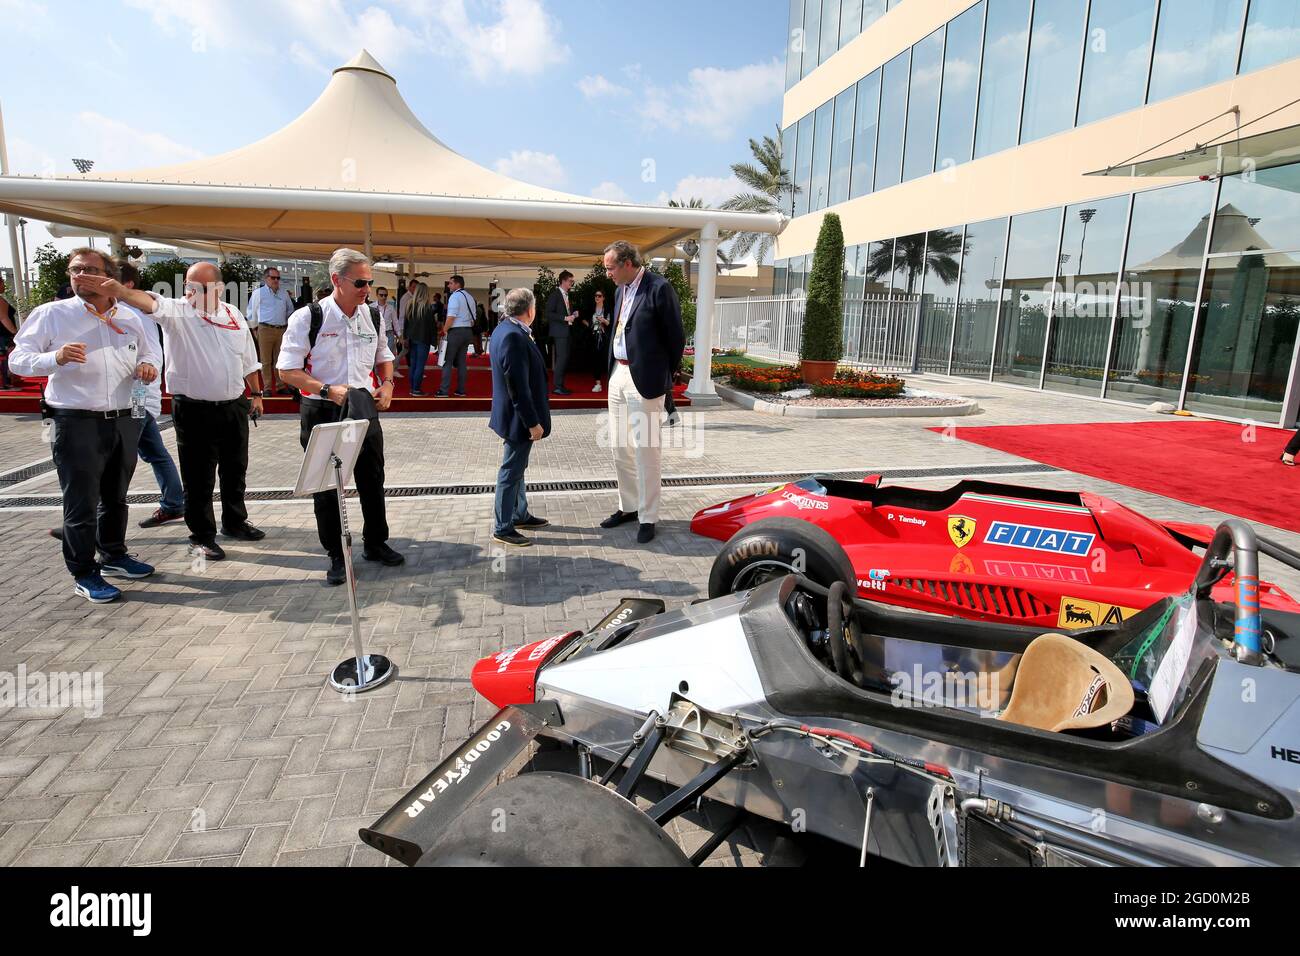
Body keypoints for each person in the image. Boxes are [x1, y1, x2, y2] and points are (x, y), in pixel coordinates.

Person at [10, 248, 160, 603]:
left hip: (124, 418)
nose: (80, 275)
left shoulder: (130, 316)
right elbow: (18, 360)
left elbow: (150, 352)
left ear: (109, 278)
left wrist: (149, 366)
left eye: (90, 270)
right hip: (76, 421)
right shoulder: (52, 315)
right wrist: (55, 358)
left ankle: (114, 554)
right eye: (75, 269)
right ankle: (84, 572)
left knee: (115, 497)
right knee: (80, 503)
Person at [87, 262, 265, 562]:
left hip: (233, 405)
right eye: (189, 286)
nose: (192, 292)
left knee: (235, 470)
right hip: (195, 410)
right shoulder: (179, 312)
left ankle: (235, 522)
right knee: (199, 477)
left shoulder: (233, 315)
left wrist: (257, 394)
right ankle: (202, 537)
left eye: (201, 288)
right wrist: (119, 291)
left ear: (219, 289)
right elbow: (150, 301)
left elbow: (249, 359)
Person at [277, 248, 403, 585]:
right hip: (323, 405)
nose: (366, 289)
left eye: (369, 282)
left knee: (372, 478)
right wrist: (324, 389)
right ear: (337, 280)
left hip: (361, 403)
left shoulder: (372, 316)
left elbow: (384, 355)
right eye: (360, 282)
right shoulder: (309, 317)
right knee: (327, 485)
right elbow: (287, 371)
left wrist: (388, 384)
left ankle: (376, 543)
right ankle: (336, 553)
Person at [599, 241, 684, 545]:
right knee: (620, 447)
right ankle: (629, 507)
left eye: (610, 267)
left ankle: (648, 516)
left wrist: (663, 375)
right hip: (618, 374)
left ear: (627, 263)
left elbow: (676, 339)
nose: (607, 273)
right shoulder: (620, 289)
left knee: (646, 450)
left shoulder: (659, 289)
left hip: (644, 379)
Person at [121, 263, 186, 528]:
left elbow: (149, 354)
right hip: (138, 396)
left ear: (126, 286)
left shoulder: (131, 312)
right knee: (153, 451)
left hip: (134, 396)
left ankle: (93, 519)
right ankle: (173, 502)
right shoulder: (133, 311)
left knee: (121, 456)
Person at [488, 288, 551, 547]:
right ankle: (503, 526)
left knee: (518, 469)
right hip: (518, 418)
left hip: (510, 415)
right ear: (530, 310)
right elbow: (518, 386)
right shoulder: (514, 336)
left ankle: (519, 513)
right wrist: (532, 422)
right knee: (511, 470)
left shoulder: (504, 329)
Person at [247, 266, 296, 396]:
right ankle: (268, 388)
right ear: (266, 278)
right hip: (264, 329)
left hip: (281, 329)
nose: (276, 280)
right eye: (273, 277)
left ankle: (280, 386)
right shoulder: (258, 293)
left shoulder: (284, 293)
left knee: (280, 360)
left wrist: (288, 327)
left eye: (278, 278)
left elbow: (290, 311)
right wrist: (254, 329)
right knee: (266, 360)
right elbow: (251, 312)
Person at [436, 274, 475, 397]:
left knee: (447, 361)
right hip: (468, 331)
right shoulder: (470, 297)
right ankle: (461, 390)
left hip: (455, 332)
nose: (448, 285)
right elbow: (474, 320)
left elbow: (451, 317)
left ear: (458, 284)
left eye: (450, 283)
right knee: (462, 362)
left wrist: (443, 330)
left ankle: (444, 390)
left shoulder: (454, 297)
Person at [545, 270, 579, 395]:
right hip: (559, 332)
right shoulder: (555, 295)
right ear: (563, 281)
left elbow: (564, 312)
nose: (572, 283)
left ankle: (560, 385)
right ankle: (558, 386)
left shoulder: (566, 295)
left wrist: (573, 314)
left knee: (564, 359)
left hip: (566, 331)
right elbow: (548, 314)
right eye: (570, 281)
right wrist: (566, 318)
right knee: (561, 359)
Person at [405, 282, 435, 396]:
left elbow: (406, 323)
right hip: (423, 339)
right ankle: (416, 389)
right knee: (420, 365)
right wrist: (434, 341)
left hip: (411, 339)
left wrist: (405, 337)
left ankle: (412, 388)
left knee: (413, 364)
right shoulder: (427, 307)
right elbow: (431, 326)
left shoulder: (410, 305)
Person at [588, 288, 611, 394]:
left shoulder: (608, 309)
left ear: (603, 298)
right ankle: (598, 384)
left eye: (599, 296)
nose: (597, 297)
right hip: (594, 337)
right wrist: (590, 325)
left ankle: (610, 383)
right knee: (595, 360)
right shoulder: (591, 308)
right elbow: (584, 319)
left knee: (606, 360)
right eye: (596, 296)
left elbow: (611, 324)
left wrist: (604, 321)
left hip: (605, 337)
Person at [375, 286, 401, 377]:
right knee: (375, 354)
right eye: (381, 295)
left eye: (385, 295)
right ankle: (376, 374)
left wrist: (399, 335)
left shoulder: (390, 307)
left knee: (388, 354)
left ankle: (387, 375)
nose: (383, 297)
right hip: (376, 334)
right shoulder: (371, 307)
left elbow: (395, 322)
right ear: (377, 295)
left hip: (388, 333)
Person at [0, 275, 16, 390]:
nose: (4, 285)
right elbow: (4, 318)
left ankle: (4, 383)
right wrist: (16, 334)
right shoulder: (0, 301)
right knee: (4, 359)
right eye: (2, 282)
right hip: (4, 335)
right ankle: (5, 384)